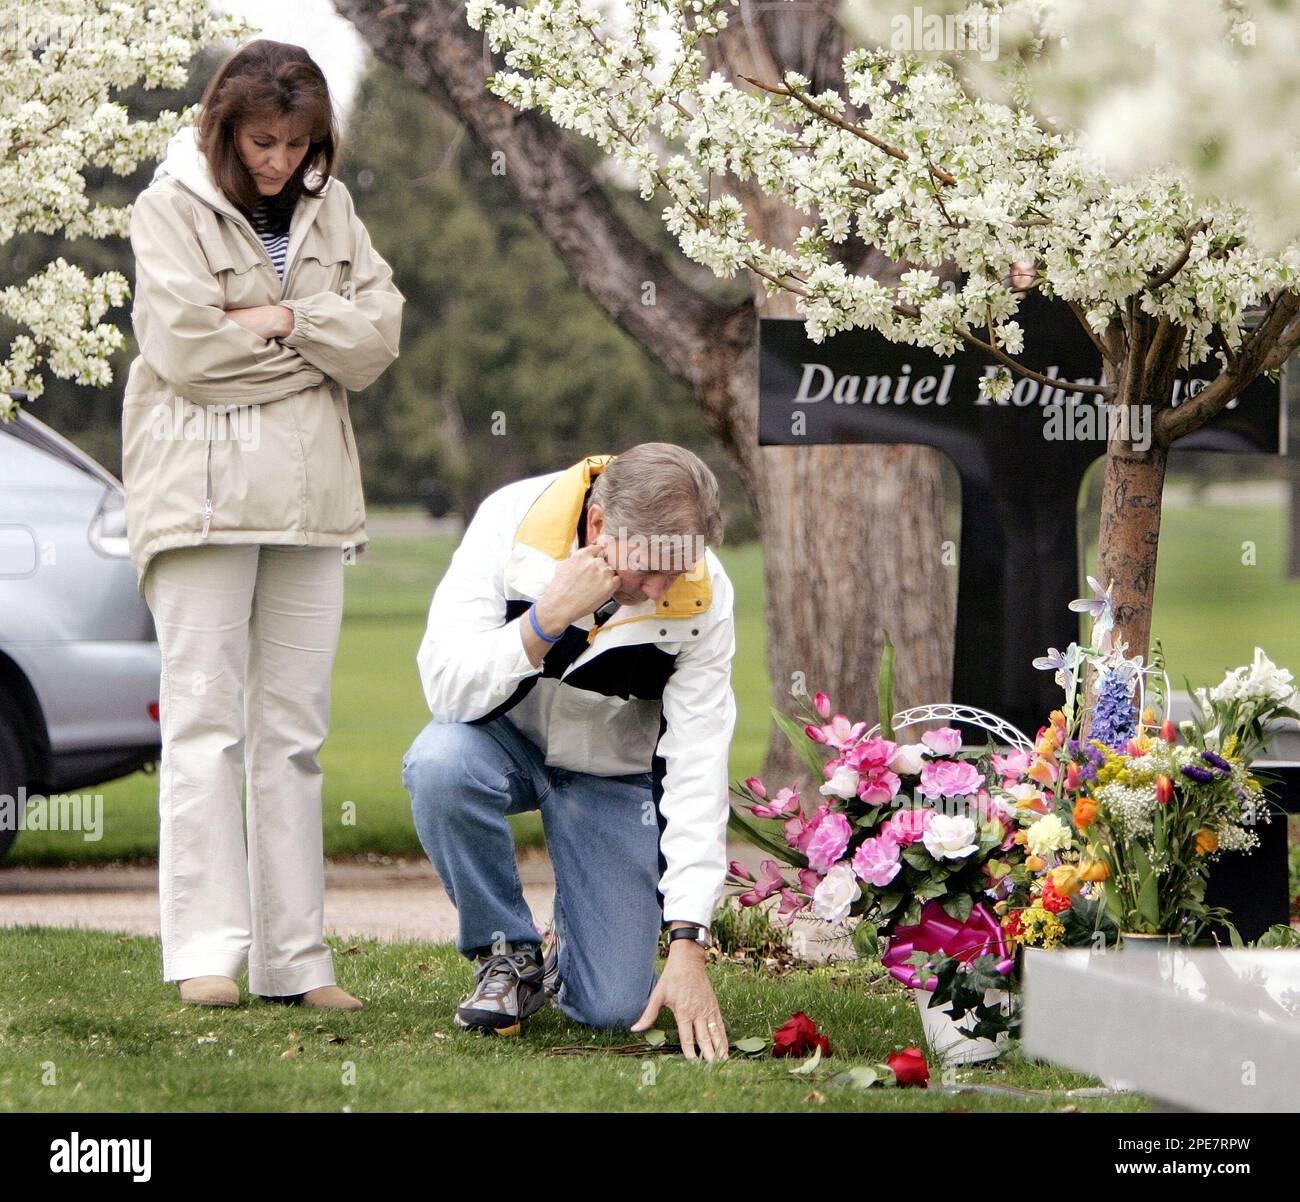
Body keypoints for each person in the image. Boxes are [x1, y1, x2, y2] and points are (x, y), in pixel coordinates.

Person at [121, 39, 404, 1010]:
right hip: (198, 503)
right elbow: (188, 352)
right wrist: (318, 335)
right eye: (260, 142)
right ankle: (206, 952)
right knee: (205, 727)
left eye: (296, 143)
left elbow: (379, 339)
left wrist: (278, 319)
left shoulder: (336, 208)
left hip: (312, 507)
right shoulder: (168, 207)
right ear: (224, 130)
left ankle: (297, 961)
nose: (279, 161)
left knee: (292, 736)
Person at [402, 443, 738, 1061]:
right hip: (505, 745)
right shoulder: (509, 519)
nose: (660, 589)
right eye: (649, 569)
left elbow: (697, 767)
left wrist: (689, 941)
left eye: (678, 570)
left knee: (612, 1009)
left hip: (612, 775)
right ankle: (510, 953)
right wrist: (546, 620)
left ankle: (571, 952)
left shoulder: (706, 592)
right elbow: (445, 689)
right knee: (438, 763)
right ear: (600, 524)